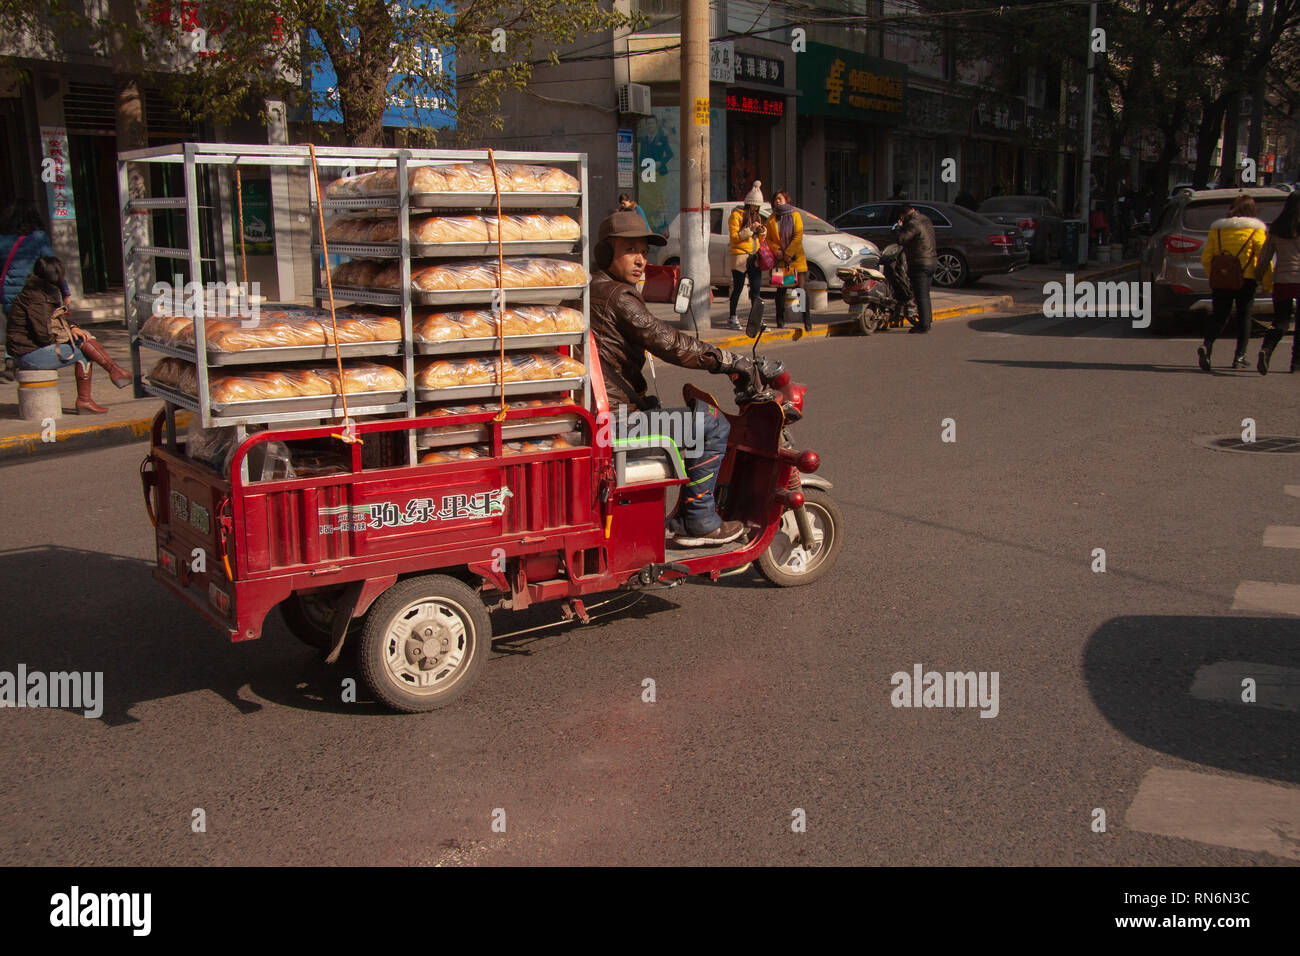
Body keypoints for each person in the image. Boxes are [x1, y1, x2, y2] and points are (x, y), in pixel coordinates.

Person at [589, 211, 754, 547]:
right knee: (711, 424)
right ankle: (699, 520)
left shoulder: (594, 290)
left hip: (603, 418)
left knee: (680, 420)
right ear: (606, 253)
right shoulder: (618, 296)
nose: (640, 260)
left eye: (644, 252)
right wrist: (727, 359)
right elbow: (670, 343)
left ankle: (683, 517)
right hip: (616, 425)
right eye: (629, 249)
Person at [5, 256, 131, 414]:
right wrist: (68, 337)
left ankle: (109, 377)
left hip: (31, 349)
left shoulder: (40, 292)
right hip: (28, 355)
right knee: (84, 350)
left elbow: (56, 320)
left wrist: (72, 327)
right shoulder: (37, 298)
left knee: (84, 338)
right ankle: (102, 382)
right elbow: (44, 335)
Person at [1, 201, 72, 381]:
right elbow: (51, 266)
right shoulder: (38, 237)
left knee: (14, 324)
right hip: (32, 291)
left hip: (8, 291)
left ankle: (12, 358)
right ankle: (31, 358)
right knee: (36, 323)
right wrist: (65, 291)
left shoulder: (2, 239)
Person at [1197, 193, 1268, 372]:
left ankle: (1207, 345)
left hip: (1221, 279)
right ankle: (1239, 356)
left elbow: (1207, 257)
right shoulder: (1256, 231)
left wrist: (1216, 275)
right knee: (1244, 316)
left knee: (1219, 315)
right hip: (1247, 280)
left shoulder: (1218, 230)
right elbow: (1263, 259)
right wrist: (1267, 282)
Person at [1255, 192, 1300, 375]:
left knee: (1281, 320)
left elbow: (1265, 257)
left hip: (1282, 280)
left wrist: (1258, 278)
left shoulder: (1276, 227)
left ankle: (1267, 348)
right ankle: (1296, 364)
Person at [765, 189, 809, 331]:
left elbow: (798, 236)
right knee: (780, 293)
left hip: (796, 260)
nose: (777, 201)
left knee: (801, 291)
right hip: (781, 261)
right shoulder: (772, 218)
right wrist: (777, 250)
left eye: (780, 198)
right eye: (775, 199)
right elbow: (769, 239)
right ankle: (780, 320)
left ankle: (806, 320)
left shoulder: (795, 215)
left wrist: (789, 253)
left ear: (786, 199)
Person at [894, 201, 938, 333]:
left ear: (903, 215)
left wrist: (898, 227)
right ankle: (927, 321)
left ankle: (924, 325)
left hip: (920, 263)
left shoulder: (913, 223)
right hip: (932, 260)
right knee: (925, 294)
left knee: (921, 295)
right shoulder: (925, 219)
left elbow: (902, 239)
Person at [727, 181, 765, 330]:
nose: (756, 209)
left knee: (756, 289)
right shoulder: (736, 216)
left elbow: (761, 240)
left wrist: (762, 232)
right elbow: (734, 237)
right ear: (749, 204)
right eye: (754, 206)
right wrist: (750, 229)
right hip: (740, 256)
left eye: (758, 206)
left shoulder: (758, 218)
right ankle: (732, 316)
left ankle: (756, 319)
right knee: (738, 287)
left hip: (754, 256)